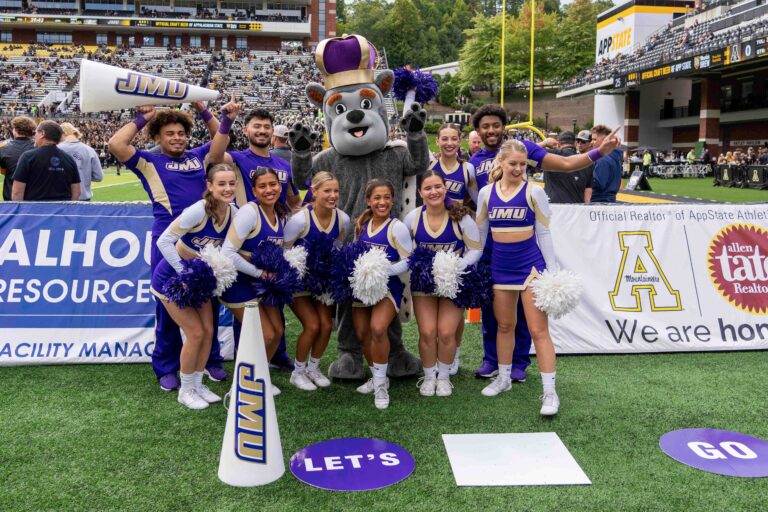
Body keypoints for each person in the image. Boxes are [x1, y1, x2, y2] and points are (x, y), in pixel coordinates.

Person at [469, 105, 620, 382]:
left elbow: (565, 164)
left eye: (495, 125)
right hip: (491, 241)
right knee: (494, 306)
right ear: (477, 131)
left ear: (504, 127)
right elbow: (472, 201)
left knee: (527, 310)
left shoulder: (523, 148)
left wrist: (600, 152)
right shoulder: (474, 159)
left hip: (523, 243)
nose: (490, 130)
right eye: (485, 127)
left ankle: (518, 364)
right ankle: (492, 360)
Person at [108, 104, 227, 391]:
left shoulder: (199, 156)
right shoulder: (148, 161)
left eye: (181, 133)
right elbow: (115, 144)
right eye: (169, 134)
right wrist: (144, 118)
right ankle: (166, 366)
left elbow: (222, 142)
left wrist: (207, 113)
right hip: (167, 242)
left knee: (207, 301)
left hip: (202, 241)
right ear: (158, 138)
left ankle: (209, 361)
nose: (177, 138)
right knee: (168, 306)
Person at [210, 98, 299, 372]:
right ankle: (246, 370)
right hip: (244, 244)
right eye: (256, 126)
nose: (262, 130)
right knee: (249, 322)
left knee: (274, 312)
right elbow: (214, 158)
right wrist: (225, 121)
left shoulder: (282, 165)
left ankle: (273, 358)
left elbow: (293, 200)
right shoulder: (236, 158)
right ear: (246, 131)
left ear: (273, 133)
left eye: (266, 127)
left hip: (271, 246)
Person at [476, 140, 561, 416]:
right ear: (500, 163)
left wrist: (552, 271)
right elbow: (480, 235)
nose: (518, 168)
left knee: (538, 331)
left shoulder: (535, 192)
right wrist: (472, 263)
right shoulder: (487, 193)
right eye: (513, 163)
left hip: (530, 268)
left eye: (523, 164)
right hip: (500, 267)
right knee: (504, 326)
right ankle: (503, 378)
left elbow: (544, 234)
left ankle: (550, 392)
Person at [151, 163, 238, 409]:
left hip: (199, 280)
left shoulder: (235, 212)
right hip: (172, 279)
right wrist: (184, 272)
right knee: (196, 333)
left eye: (232, 183)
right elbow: (165, 241)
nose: (228, 188)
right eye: (221, 183)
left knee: (208, 332)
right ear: (209, 186)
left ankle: (198, 384)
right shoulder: (197, 211)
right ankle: (185, 389)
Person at [403, 171, 482, 397]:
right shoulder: (413, 218)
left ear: (445, 188)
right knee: (427, 332)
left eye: (438, 186)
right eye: (427, 188)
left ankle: (444, 377)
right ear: (420, 193)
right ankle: (429, 377)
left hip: (453, 280)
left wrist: (456, 267)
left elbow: (475, 249)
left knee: (446, 333)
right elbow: (406, 252)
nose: (433, 192)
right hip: (424, 282)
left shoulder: (461, 216)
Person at [221, 166, 290, 396]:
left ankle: (259, 377)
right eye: (263, 186)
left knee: (277, 331)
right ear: (254, 190)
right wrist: (260, 273)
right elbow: (228, 252)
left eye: (273, 185)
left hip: (260, 282)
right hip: (239, 282)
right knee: (266, 334)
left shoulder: (280, 214)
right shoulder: (250, 212)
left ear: (280, 186)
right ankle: (239, 386)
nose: (269, 190)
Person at [283, 172, 351, 391]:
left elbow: (337, 247)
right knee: (312, 325)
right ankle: (298, 372)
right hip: (298, 281)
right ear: (314, 192)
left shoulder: (342, 218)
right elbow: (284, 250)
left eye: (336, 191)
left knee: (325, 325)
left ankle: (314, 367)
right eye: (327, 191)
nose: (333, 196)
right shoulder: (300, 220)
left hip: (322, 281)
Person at [352, 179, 413, 410]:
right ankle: (378, 375)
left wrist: (383, 270)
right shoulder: (362, 223)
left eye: (387, 197)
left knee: (378, 328)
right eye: (377, 198)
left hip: (388, 287)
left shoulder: (396, 227)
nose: (382, 202)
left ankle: (380, 386)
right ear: (368, 200)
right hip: (362, 287)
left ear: (392, 199)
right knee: (361, 333)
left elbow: (410, 260)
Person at [12, 120, 80, 201]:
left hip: (35, 211)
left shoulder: (28, 157)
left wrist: (22, 212)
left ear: (42, 134)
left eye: (36, 133)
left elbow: (17, 192)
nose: (34, 136)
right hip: (62, 210)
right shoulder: (69, 159)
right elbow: (76, 192)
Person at [428, 123, 478, 206]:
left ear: (459, 142)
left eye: (454, 139)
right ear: (437, 141)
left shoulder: (468, 168)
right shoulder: (430, 166)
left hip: (456, 218)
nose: (449, 143)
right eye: (444, 139)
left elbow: (476, 199)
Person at [543, 131, 593, 204]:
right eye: (579, 141)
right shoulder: (586, 161)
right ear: (575, 143)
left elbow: (526, 150)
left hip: (555, 207)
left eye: (583, 142)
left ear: (558, 143)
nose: (580, 144)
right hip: (576, 208)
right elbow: (588, 189)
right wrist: (586, 206)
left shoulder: (550, 155)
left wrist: (545, 143)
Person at [58, 122, 103, 201]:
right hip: (84, 200)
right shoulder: (90, 150)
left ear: (63, 133)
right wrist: (84, 175)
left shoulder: (56, 149)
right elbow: (98, 177)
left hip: (63, 200)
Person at [0, 116, 36, 201]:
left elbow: (3, 171)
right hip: (34, 198)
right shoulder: (39, 147)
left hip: (11, 198)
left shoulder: (3, 148)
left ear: (15, 130)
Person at [590, 124, 623, 203]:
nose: (591, 142)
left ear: (605, 140)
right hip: (609, 200)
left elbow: (598, 184)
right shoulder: (615, 156)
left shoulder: (603, 159)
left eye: (595, 139)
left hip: (599, 202)